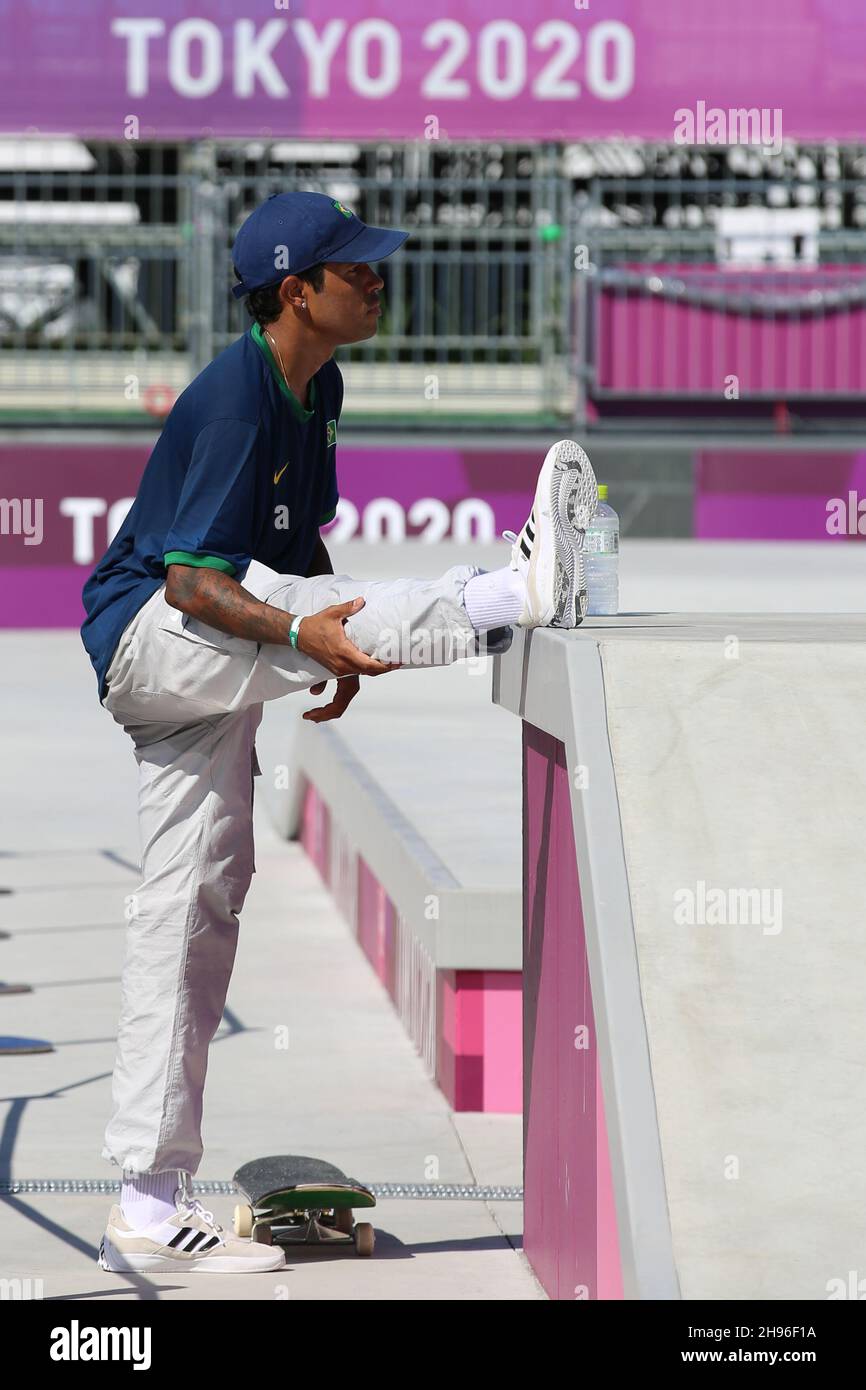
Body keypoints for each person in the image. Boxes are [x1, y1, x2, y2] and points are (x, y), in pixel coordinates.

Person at [81, 191, 598, 1274]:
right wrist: (304, 633)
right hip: (150, 639)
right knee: (293, 600)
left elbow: (304, 556)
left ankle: (145, 1190)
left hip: (210, 653)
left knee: (192, 910)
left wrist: (325, 648)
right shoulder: (232, 399)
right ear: (293, 292)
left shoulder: (319, 388)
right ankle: (510, 593)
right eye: (354, 269)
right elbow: (191, 583)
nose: (378, 279)